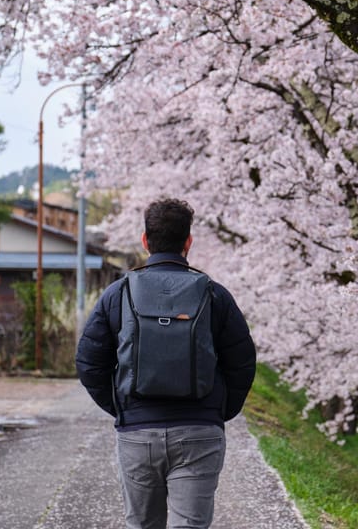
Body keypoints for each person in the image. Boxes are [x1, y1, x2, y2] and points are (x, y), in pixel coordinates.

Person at [76, 198, 257, 529]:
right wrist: (217, 410)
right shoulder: (215, 295)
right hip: (200, 431)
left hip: (137, 433)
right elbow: (242, 362)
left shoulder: (118, 294)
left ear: (145, 241)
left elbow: (89, 362)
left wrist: (122, 407)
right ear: (188, 242)